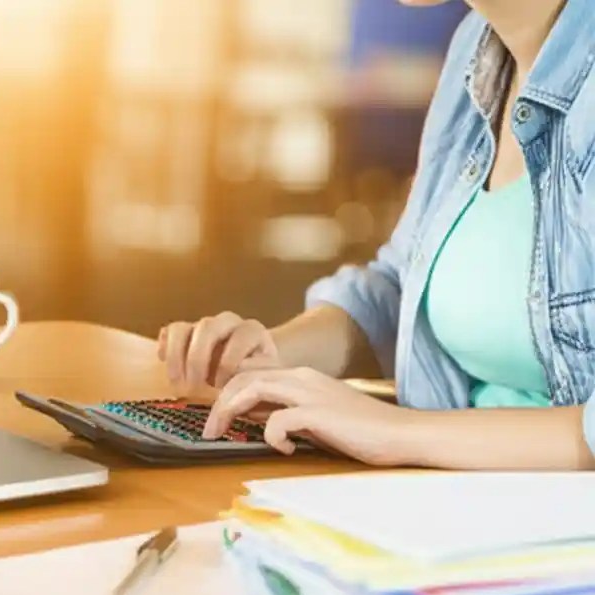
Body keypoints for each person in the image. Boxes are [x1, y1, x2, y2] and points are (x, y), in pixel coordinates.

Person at [160, 0, 595, 470]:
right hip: (455, 497)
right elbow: (403, 288)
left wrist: (394, 432)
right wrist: (268, 357)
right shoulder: (479, 51)